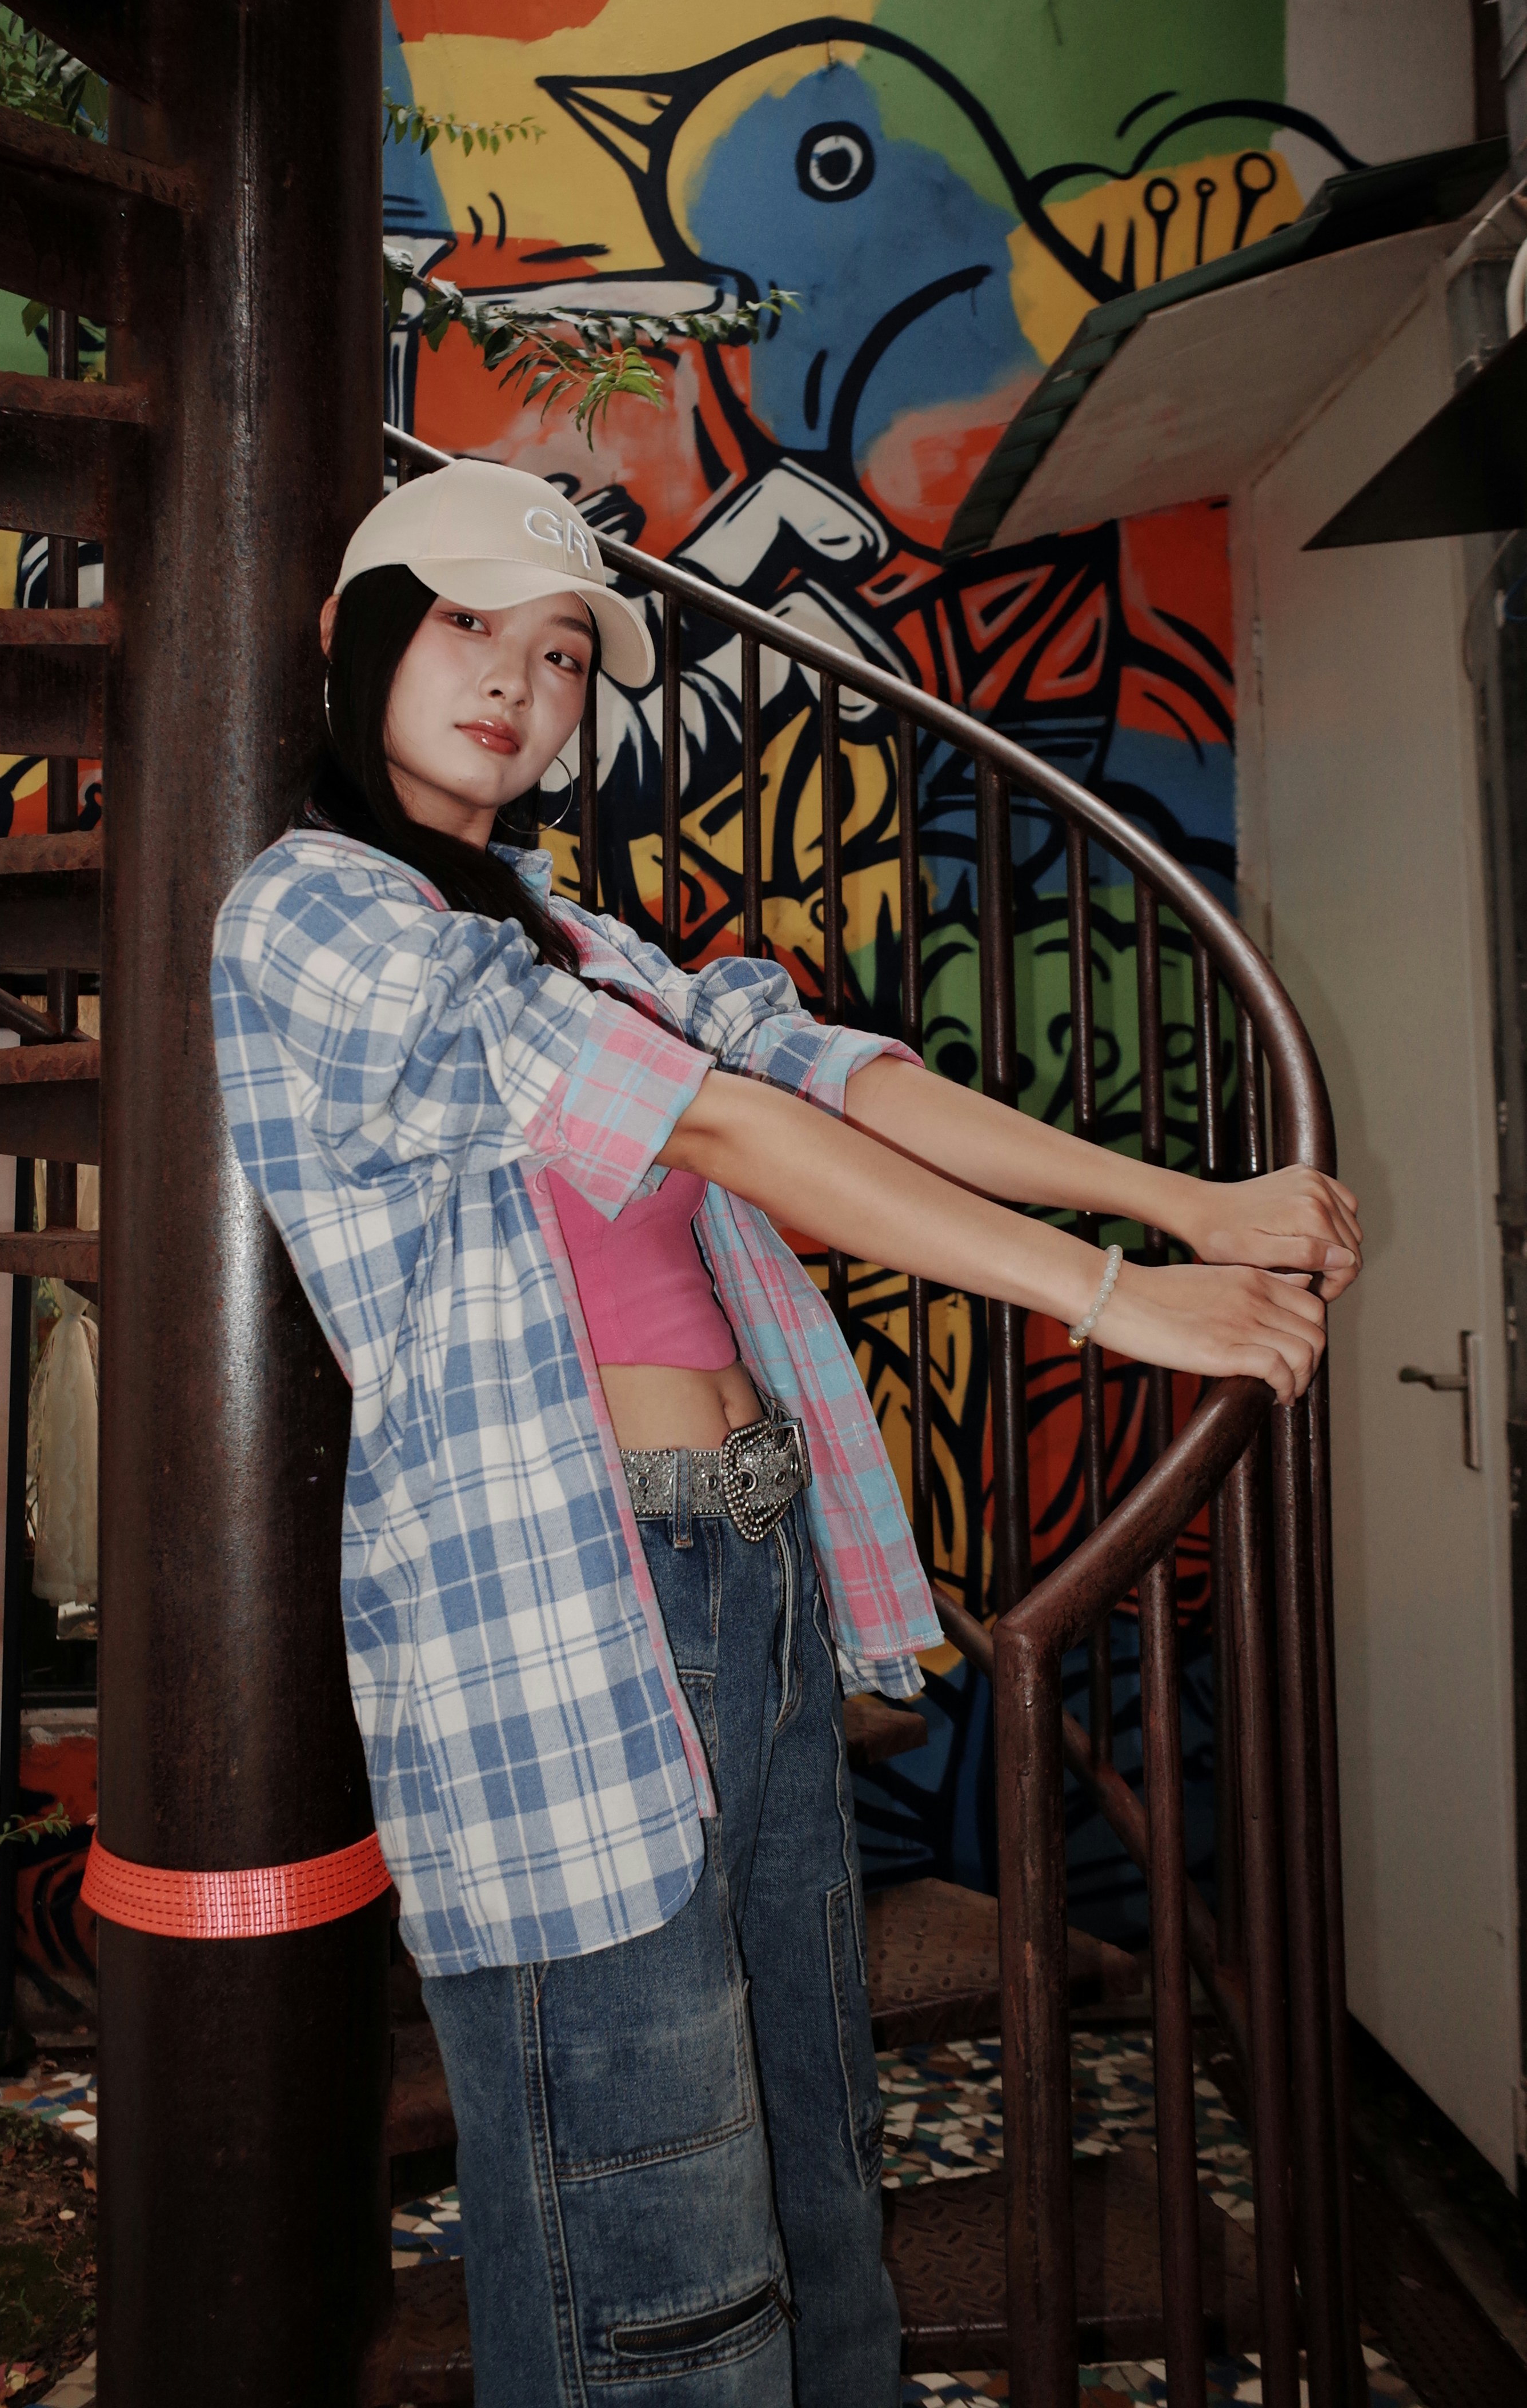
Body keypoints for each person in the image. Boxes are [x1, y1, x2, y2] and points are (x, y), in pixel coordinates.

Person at [211, 460, 1361, 2408]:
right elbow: (721, 1129)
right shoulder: (318, 914)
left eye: (561, 647)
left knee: (812, 2182)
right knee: (653, 2249)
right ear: (356, 637)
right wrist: (1108, 1298)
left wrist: (1182, 1199)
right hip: (571, 1609)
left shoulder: (565, 930)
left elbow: (831, 1072)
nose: (518, 677)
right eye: (471, 622)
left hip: (733, 1572)